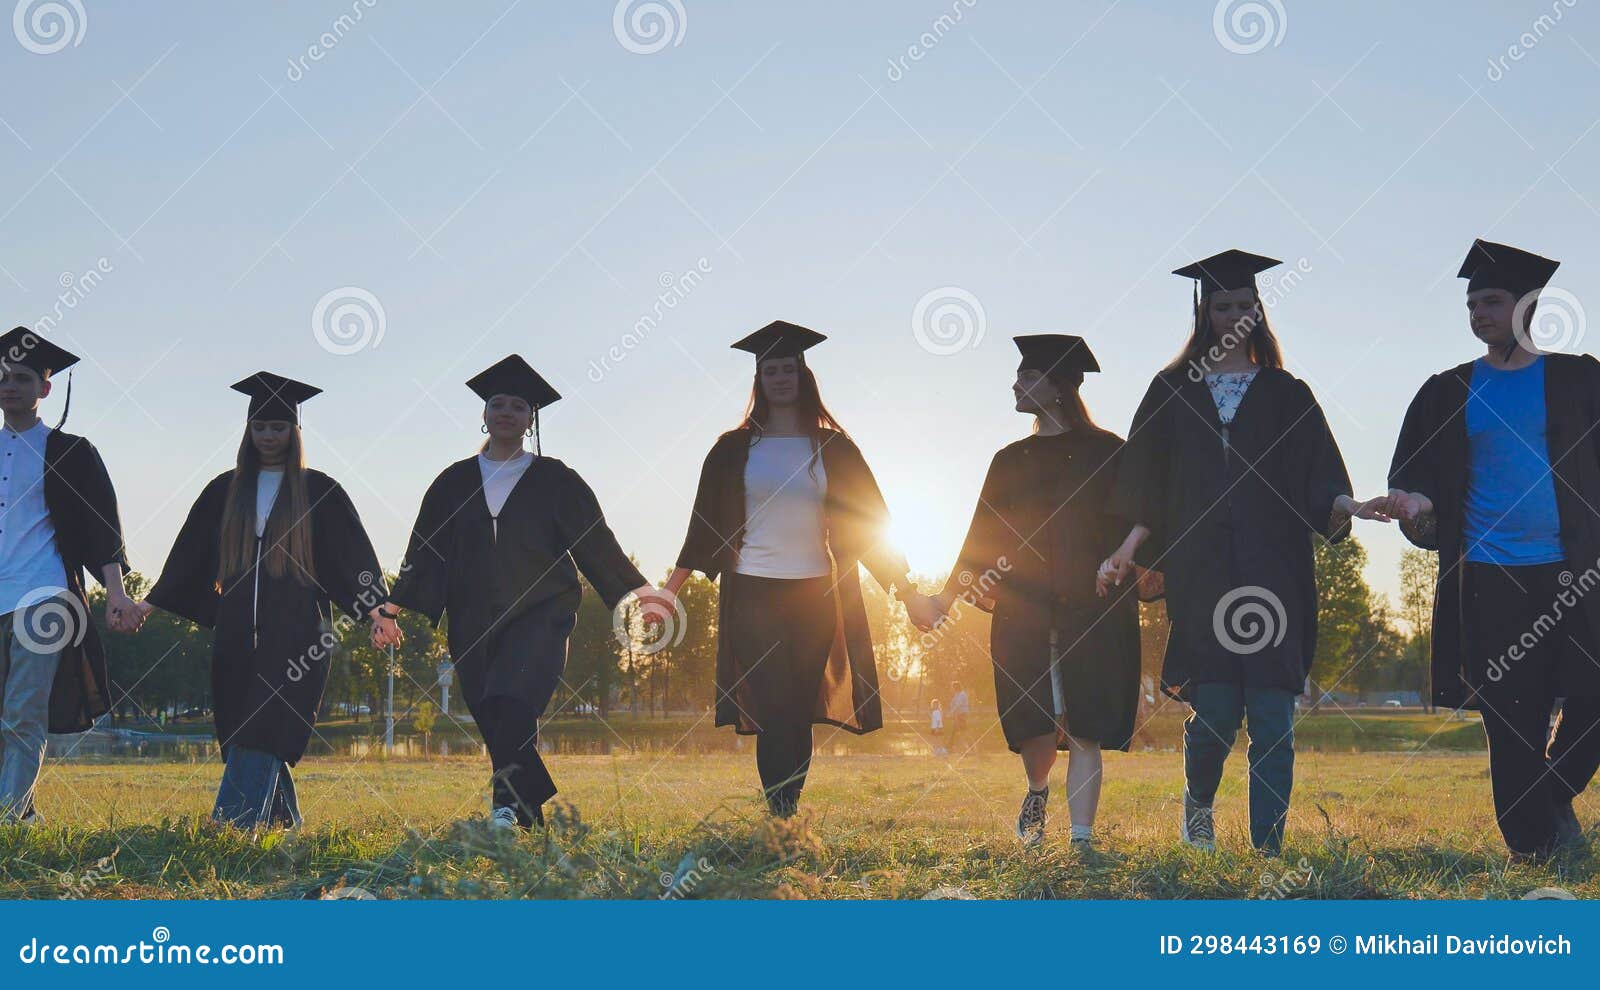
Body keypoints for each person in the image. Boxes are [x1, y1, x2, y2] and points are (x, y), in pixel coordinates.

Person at [1100, 251, 1361, 856]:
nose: (1236, 314)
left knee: (1272, 713)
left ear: (1259, 311)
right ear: (1205, 312)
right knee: (1214, 708)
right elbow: (1147, 480)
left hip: (1275, 570)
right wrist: (1129, 547)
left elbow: (1321, 473)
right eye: (1224, 305)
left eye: (1246, 304)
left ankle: (1267, 846)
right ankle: (1198, 807)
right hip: (1202, 572)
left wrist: (1347, 505)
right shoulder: (1171, 391)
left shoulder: (1286, 393)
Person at [658, 321, 941, 817]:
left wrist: (907, 591)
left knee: (796, 707)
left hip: (815, 595)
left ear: (803, 375)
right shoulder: (732, 449)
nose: (780, 378)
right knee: (771, 705)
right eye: (771, 370)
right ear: (759, 379)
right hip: (752, 591)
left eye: (789, 369)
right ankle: (779, 811)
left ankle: (786, 808)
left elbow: (870, 525)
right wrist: (669, 592)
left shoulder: (833, 447)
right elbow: (701, 527)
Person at [1376, 239, 1600, 860]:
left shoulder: (1581, 379)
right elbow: (1412, 477)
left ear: (1529, 304)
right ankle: (1533, 850)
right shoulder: (1447, 390)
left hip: (1576, 573)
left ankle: (1552, 796)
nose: (1479, 313)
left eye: (1492, 301)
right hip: (1490, 577)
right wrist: (1417, 504)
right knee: (1511, 719)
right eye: (1472, 304)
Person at [389, 355, 667, 829]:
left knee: (512, 700)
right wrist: (392, 606)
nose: (506, 412)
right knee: (491, 712)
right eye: (498, 403)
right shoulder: (453, 481)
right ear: (484, 413)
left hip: (541, 614)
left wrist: (641, 590)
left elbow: (595, 540)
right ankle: (526, 816)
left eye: (518, 406)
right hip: (472, 617)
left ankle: (506, 808)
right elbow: (425, 548)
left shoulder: (556, 478)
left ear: (530, 419)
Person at [130, 372, 400, 829]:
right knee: (243, 728)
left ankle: (231, 827)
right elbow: (188, 556)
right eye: (260, 427)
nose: (268, 436)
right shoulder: (226, 489)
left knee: (264, 724)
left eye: (278, 427)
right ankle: (283, 829)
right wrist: (145, 606)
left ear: (294, 432)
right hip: (236, 632)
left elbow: (349, 555)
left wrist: (378, 613)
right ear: (248, 431)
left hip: (298, 636)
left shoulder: (319, 491)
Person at [930, 334, 1145, 847]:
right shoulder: (1010, 460)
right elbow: (981, 536)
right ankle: (1037, 789)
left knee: (1088, 721)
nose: (1016, 384)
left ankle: (1081, 840)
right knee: (1034, 723)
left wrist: (1122, 559)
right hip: (1025, 610)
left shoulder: (1109, 453)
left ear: (1057, 387)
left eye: (1027, 377)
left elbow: (1140, 518)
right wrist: (945, 597)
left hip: (1092, 606)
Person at [0, 327, 132, 823]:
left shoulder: (72, 452)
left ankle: (10, 819)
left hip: (43, 595)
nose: (9, 386)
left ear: (45, 388)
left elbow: (103, 529)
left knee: (22, 711)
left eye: (21, 378)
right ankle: (23, 812)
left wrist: (116, 594)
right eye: (2, 377)